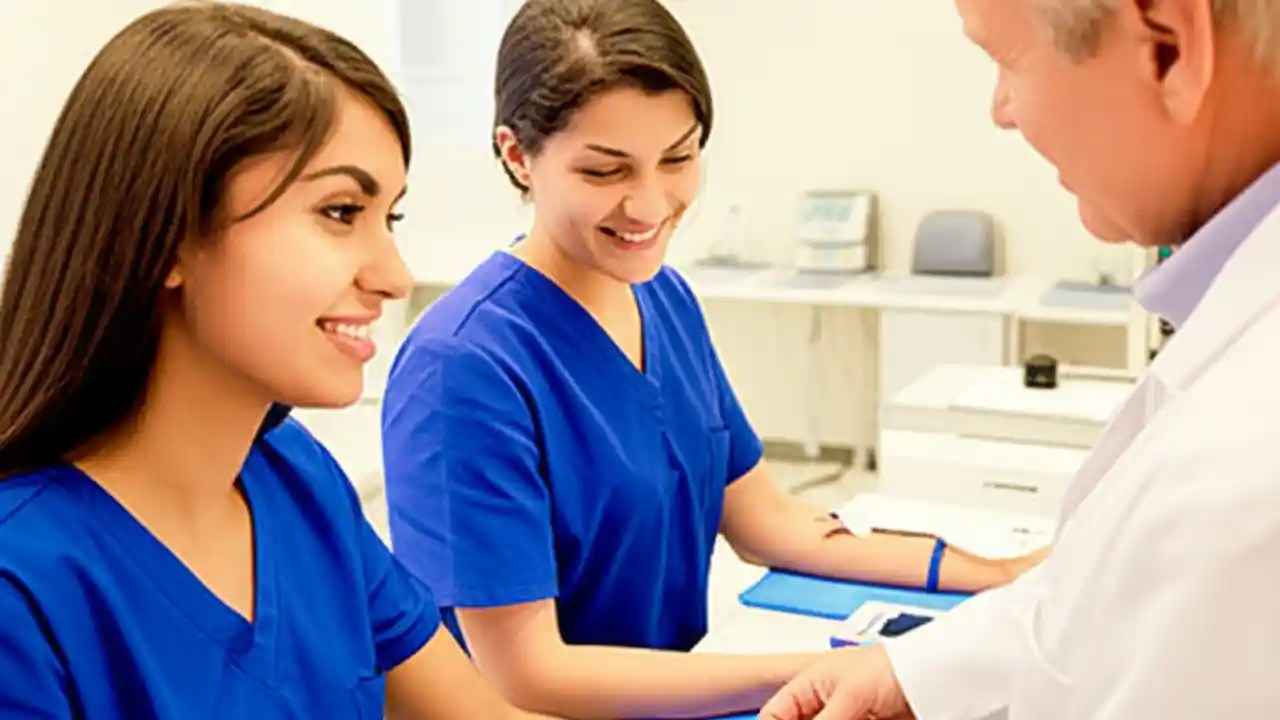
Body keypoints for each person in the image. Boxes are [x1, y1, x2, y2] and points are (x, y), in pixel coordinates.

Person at [380, 1, 1046, 717]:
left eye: (678, 158)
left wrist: (999, 575)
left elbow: (767, 522)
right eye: (604, 171)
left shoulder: (662, 298)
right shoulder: (462, 367)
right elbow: (528, 674)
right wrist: (825, 671)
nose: (650, 205)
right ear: (517, 154)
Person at [0, 4, 553, 718]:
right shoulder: (25, 587)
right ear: (169, 235)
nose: (393, 277)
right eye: (340, 212)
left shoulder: (295, 478)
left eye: (389, 218)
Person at [759, 0, 1280, 718]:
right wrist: (918, 675)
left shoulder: (1247, 468)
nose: (1001, 110)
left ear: (1168, 48)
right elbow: (1089, 612)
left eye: (1008, 60)